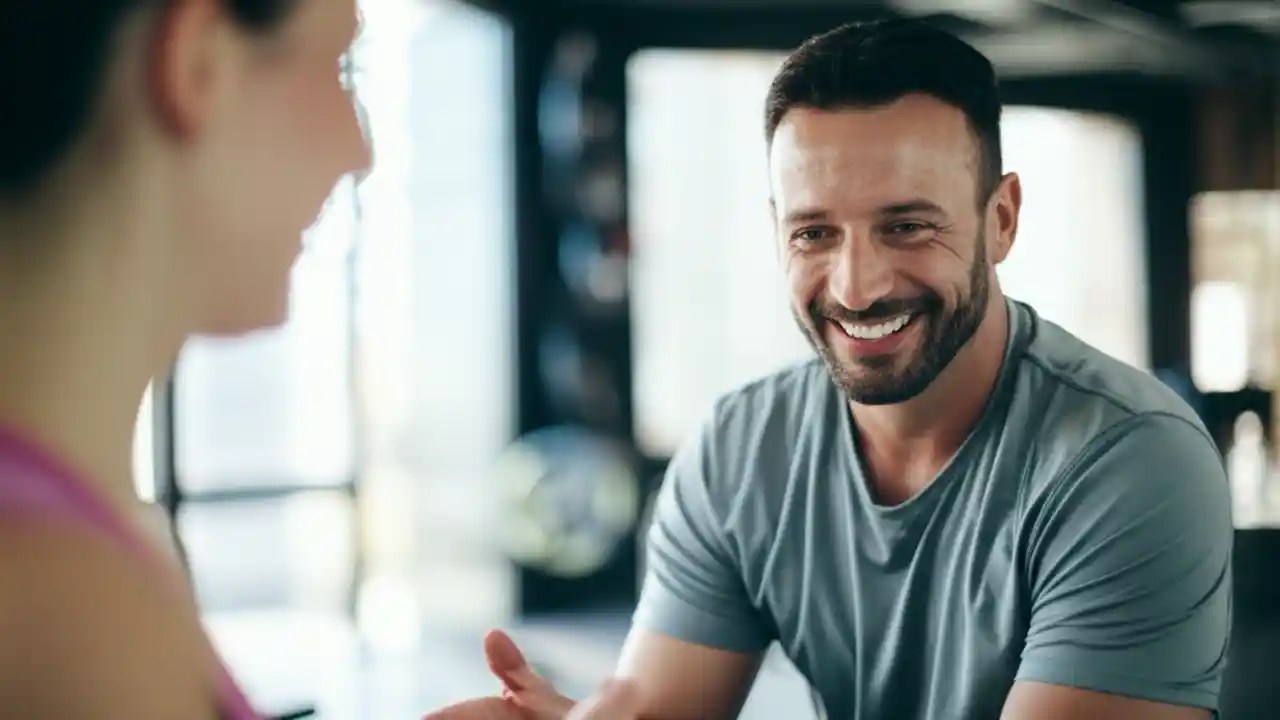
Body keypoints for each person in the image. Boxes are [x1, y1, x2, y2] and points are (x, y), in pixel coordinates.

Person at [431, 18, 1233, 720]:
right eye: (815, 234)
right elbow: (657, 705)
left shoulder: (1129, 459)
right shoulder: (740, 450)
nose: (857, 286)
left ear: (1001, 220)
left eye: (907, 226)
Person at [0, 2, 645, 718]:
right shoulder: (65, 603)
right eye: (341, 69)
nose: (359, 152)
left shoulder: (81, 550)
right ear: (198, 62)